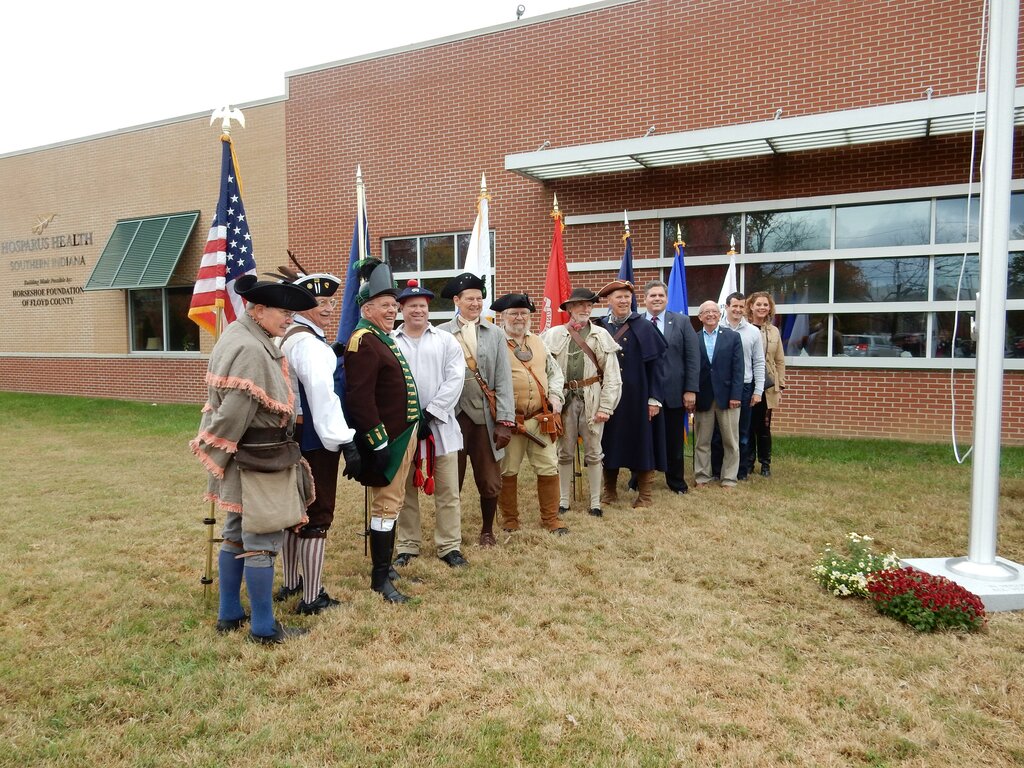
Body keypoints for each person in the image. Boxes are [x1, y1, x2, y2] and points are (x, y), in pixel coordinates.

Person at [190, 274, 318, 645]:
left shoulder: (240, 335)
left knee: (234, 534)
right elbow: (234, 410)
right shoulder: (250, 348)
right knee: (261, 536)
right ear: (259, 310)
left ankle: (229, 613)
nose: (289, 318)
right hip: (259, 458)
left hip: (243, 455)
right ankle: (263, 627)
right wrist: (216, 448)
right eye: (284, 311)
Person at [276, 268, 362, 615]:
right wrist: (345, 442)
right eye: (319, 302)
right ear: (300, 307)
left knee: (292, 512)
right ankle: (312, 598)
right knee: (317, 514)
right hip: (312, 437)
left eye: (330, 301)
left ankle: (290, 583)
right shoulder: (309, 344)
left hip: (289, 436)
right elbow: (321, 395)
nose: (327, 308)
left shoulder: (289, 337)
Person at [343, 259, 421, 604]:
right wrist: (377, 442)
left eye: (394, 305)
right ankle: (379, 580)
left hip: (404, 433)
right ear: (367, 307)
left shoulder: (381, 337)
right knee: (386, 506)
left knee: (395, 502)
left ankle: (385, 566)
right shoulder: (364, 340)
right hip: (388, 438)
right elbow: (360, 399)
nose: (393, 310)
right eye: (387, 305)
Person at [391, 280, 469, 568]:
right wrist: (410, 416)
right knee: (404, 492)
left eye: (422, 306)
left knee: (448, 491)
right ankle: (408, 545)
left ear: (428, 308)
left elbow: (455, 379)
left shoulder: (446, 341)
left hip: (441, 428)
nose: (418, 311)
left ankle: (449, 546)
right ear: (402, 309)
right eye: (412, 306)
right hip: (404, 429)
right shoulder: (391, 341)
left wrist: (432, 412)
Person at [438, 273, 515, 547]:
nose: (475, 303)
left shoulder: (494, 333)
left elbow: (504, 379)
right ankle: (451, 533)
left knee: (489, 478)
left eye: (479, 298)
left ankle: (486, 530)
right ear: (456, 301)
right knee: (450, 479)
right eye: (469, 298)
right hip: (451, 418)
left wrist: (505, 420)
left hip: (484, 417)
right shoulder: (440, 333)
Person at [540, 286, 622, 517]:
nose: (586, 309)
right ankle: (563, 501)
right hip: (563, 400)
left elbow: (613, 376)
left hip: (592, 399)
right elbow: (543, 369)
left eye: (589, 305)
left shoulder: (601, 335)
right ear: (569, 308)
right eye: (580, 305)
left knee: (594, 452)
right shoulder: (553, 335)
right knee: (563, 452)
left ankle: (595, 503)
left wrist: (606, 407)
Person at [493, 292, 568, 535]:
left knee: (549, 467)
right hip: (510, 420)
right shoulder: (495, 342)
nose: (519, 318)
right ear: (503, 316)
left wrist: (556, 396)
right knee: (508, 471)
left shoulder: (539, 342)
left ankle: (551, 519)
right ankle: (510, 520)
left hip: (540, 418)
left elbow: (555, 373)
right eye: (514, 313)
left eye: (524, 313)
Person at [595, 280, 667, 508]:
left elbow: (657, 367)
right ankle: (609, 493)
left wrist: (654, 398)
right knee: (608, 443)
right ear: (609, 301)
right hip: (608, 398)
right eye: (619, 297)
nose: (624, 301)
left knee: (642, 444)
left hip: (638, 398)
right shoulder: (600, 328)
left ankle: (645, 496)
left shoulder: (644, 327)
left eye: (627, 297)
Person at [640, 280, 699, 494]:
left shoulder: (682, 322)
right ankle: (639, 480)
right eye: (652, 295)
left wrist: (690, 389)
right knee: (644, 439)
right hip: (644, 393)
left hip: (674, 392)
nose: (656, 299)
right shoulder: (637, 322)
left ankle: (676, 482)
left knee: (673, 440)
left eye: (660, 296)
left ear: (666, 299)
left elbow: (692, 358)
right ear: (644, 299)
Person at [711, 292, 765, 481]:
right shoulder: (716, 328)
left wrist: (758, 391)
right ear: (726, 307)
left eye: (741, 306)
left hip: (744, 387)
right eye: (734, 306)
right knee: (718, 433)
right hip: (720, 388)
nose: (738, 310)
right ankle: (717, 471)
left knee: (742, 432)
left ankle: (740, 472)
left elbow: (759, 362)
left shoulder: (753, 332)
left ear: (746, 308)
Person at [693, 300, 745, 489]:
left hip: (727, 396)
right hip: (703, 397)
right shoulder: (694, 337)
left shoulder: (732, 337)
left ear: (719, 314)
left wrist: (736, 395)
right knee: (702, 441)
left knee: (731, 441)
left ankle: (729, 478)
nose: (711, 314)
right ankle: (702, 477)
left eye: (714, 311)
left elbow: (738, 368)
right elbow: (691, 368)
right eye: (706, 312)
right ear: (700, 317)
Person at [746, 291, 786, 477]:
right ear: (751, 307)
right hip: (748, 383)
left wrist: (781, 385)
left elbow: (779, 361)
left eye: (766, 305)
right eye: (759, 304)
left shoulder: (774, 331)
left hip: (768, 385)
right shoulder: (744, 328)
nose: (762, 308)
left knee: (764, 426)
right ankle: (748, 462)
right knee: (747, 425)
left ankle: (765, 463)